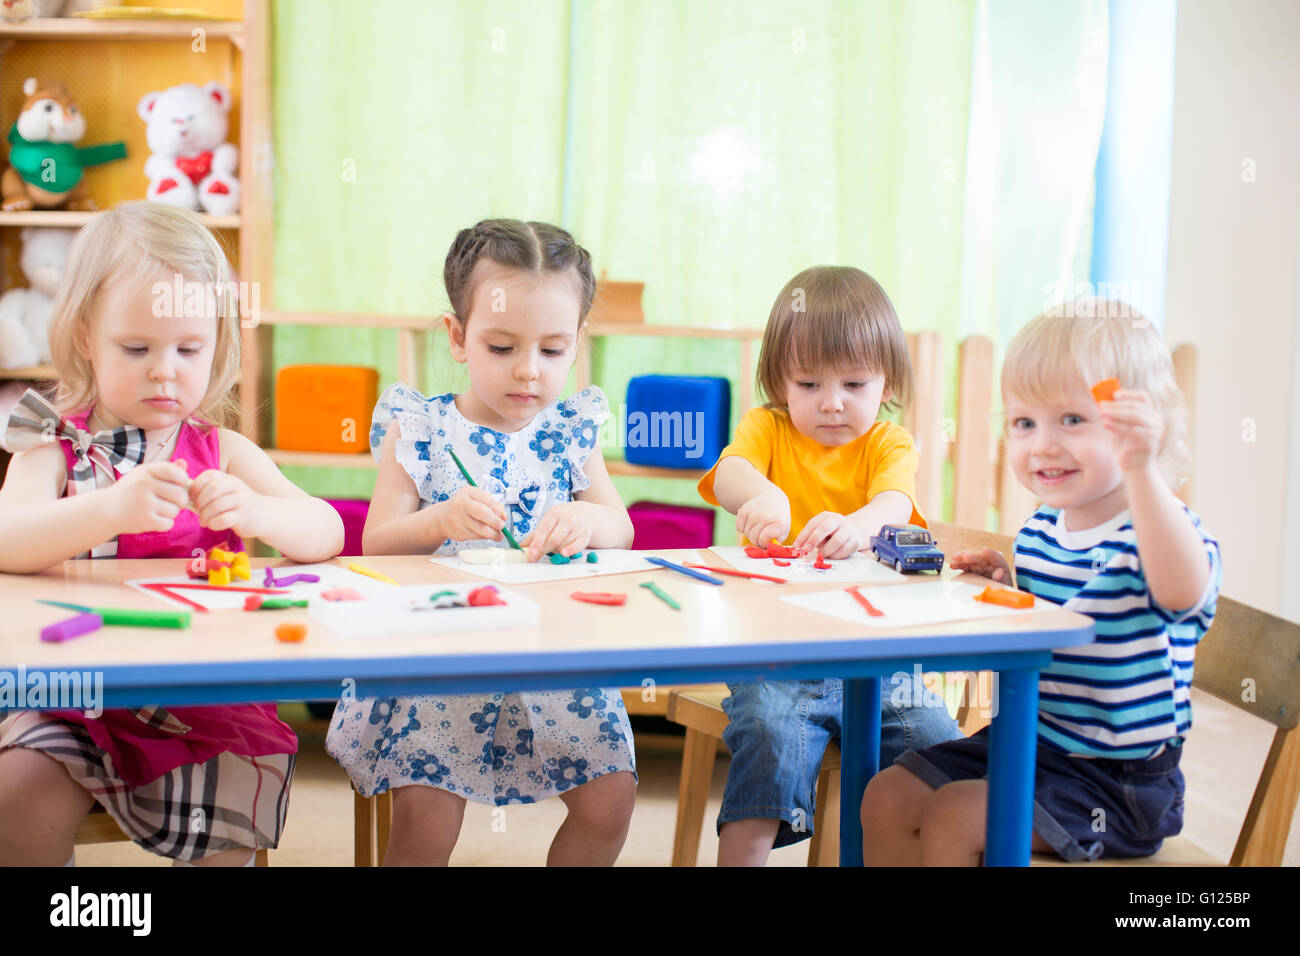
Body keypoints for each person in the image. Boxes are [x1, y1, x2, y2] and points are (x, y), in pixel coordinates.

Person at [0, 201, 344, 866]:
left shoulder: (222, 448)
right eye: (137, 349)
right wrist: (104, 512)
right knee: (16, 796)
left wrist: (257, 512)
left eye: (189, 349)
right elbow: (7, 537)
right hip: (73, 695)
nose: (165, 370)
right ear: (83, 339)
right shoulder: (55, 443)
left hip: (198, 698)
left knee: (235, 810)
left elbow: (325, 530)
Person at [862, 301, 1220, 864]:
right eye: (1025, 423)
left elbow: (1180, 590)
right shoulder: (1040, 531)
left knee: (957, 814)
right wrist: (1009, 588)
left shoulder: (1161, 533)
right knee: (886, 795)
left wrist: (1143, 472)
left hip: (1115, 782)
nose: (1044, 444)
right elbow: (1051, 622)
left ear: (1140, 427)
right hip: (1032, 741)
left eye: (1073, 420)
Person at [326, 219, 637, 866]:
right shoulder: (420, 427)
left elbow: (621, 528)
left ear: (578, 344)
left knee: (610, 800)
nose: (529, 373)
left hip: (554, 654)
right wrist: (438, 520)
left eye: (552, 351)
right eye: (502, 348)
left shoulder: (572, 428)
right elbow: (373, 545)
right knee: (426, 816)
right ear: (458, 337)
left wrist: (588, 524)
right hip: (443, 658)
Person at [698, 265, 961, 865]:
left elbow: (895, 503)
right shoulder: (768, 426)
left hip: (878, 660)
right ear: (779, 381)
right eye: (809, 382)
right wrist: (764, 497)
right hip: (777, 658)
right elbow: (732, 471)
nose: (832, 401)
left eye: (854, 382)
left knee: (940, 746)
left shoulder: (888, 443)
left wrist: (859, 524)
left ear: (886, 381)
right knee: (769, 738)